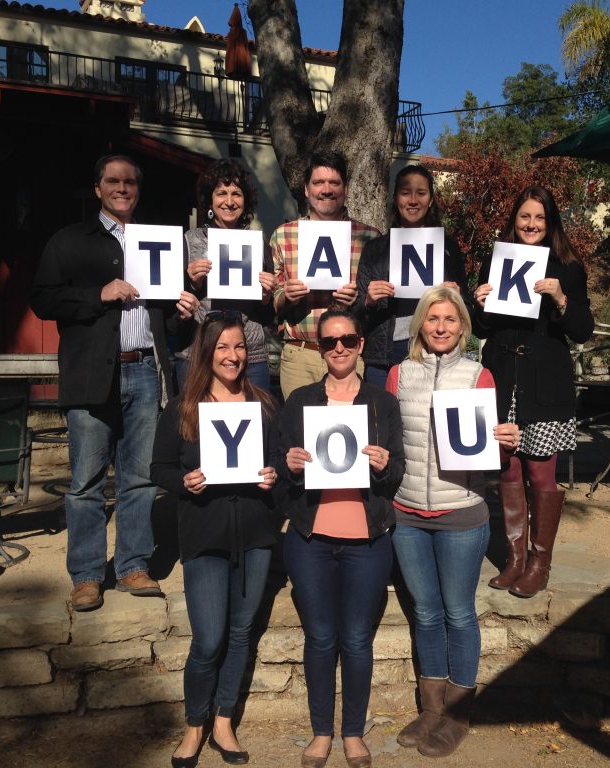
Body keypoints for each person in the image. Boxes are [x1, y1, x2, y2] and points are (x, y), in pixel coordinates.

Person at [31, 154, 198, 612]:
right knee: (85, 480)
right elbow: (42, 299)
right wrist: (96, 294)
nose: (122, 188)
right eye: (112, 181)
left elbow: (171, 325)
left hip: (145, 367)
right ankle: (86, 575)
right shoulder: (69, 241)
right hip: (91, 373)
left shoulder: (160, 243)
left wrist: (182, 312)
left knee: (140, 477)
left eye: (130, 182)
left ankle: (132, 566)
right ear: (98, 188)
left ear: (138, 190)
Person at [386, 286, 519, 758]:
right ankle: (431, 708)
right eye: (432, 318)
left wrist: (505, 439)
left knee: (458, 612)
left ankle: (458, 712)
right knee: (425, 611)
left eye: (450, 319)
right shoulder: (399, 375)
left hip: (461, 512)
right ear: (420, 324)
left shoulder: (479, 376)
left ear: (463, 326)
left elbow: (487, 451)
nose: (440, 327)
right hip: (407, 514)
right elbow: (389, 438)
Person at [151, 313, 281, 768]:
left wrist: (274, 474)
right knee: (208, 639)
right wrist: (184, 480)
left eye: (240, 347)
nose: (232, 356)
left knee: (242, 632)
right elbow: (159, 468)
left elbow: (281, 463)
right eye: (223, 347)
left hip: (255, 536)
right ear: (207, 353)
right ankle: (194, 726)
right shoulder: (185, 408)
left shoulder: (264, 403)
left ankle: (225, 720)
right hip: (205, 537)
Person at [277, 308, 404, 768]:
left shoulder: (381, 403)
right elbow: (278, 468)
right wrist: (289, 465)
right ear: (320, 346)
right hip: (311, 537)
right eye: (330, 341)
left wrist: (384, 464)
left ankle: (353, 732)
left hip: (367, 540)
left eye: (347, 340)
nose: (338, 349)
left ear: (361, 344)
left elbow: (400, 471)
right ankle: (321, 732)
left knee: (356, 640)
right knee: (320, 638)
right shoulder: (300, 401)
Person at [472, 185, 594, 599]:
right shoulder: (499, 259)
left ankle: (541, 562)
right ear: (514, 220)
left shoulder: (568, 266)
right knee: (507, 467)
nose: (531, 225)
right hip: (503, 379)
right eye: (525, 217)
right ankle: (515, 559)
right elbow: (481, 329)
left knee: (541, 470)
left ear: (551, 222)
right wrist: (479, 303)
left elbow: (582, 331)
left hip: (546, 385)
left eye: (539, 218)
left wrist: (561, 298)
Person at [271, 151, 381, 399]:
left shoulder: (370, 238)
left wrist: (360, 300)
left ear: (346, 189)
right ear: (307, 190)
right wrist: (285, 295)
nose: (327, 190)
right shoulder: (283, 235)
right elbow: (271, 299)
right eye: (318, 182)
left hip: (350, 355)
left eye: (334, 183)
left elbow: (381, 304)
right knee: (298, 434)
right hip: (300, 355)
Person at [354, 164, 469, 390]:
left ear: (431, 199)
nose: (413, 200)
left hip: (434, 353)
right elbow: (356, 314)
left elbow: (468, 310)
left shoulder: (448, 249)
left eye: (421, 193)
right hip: (384, 357)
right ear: (396, 198)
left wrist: (458, 297)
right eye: (406, 193)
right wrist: (369, 301)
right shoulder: (375, 249)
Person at [181, 159, 277, 391]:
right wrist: (192, 283)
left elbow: (267, 314)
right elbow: (174, 304)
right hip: (200, 351)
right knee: (195, 424)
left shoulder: (258, 243)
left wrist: (266, 296)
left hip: (250, 354)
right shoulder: (190, 239)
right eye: (222, 193)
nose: (230, 201)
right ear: (210, 199)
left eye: (237, 193)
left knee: (256, 421)